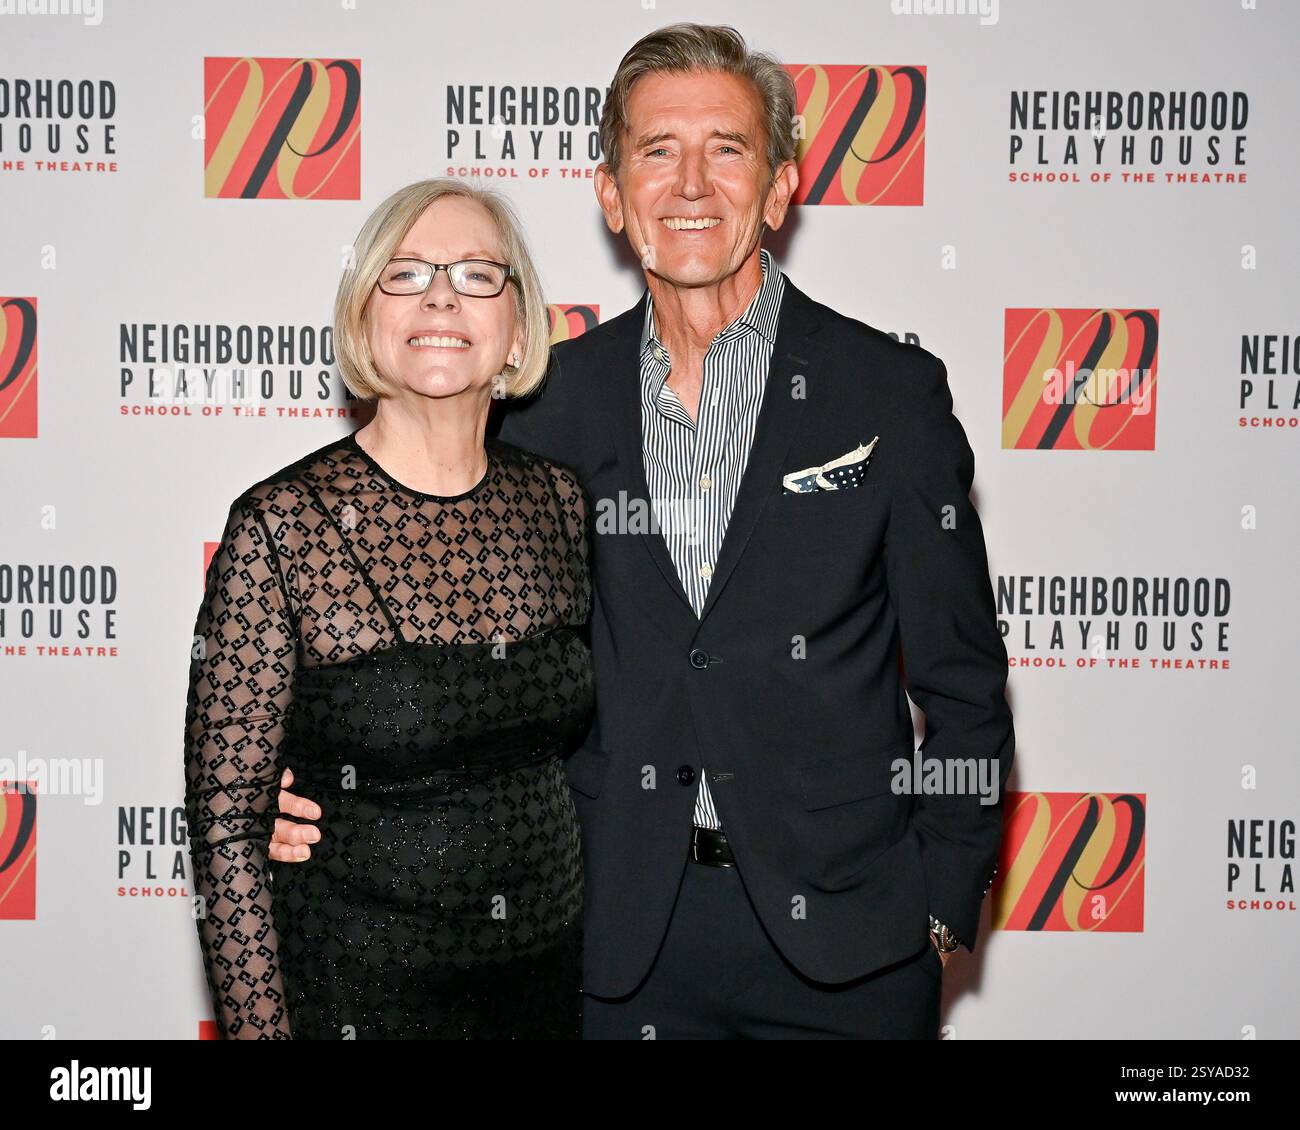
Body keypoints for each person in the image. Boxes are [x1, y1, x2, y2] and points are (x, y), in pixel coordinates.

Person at [273, 22, 1014, 1039]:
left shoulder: (886, 392)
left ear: (782, 184)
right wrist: (309, 781)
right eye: (657, 152)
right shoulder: (543, 407)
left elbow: (965, 687)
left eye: (727, 148)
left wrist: (935, 905)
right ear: (613, 196)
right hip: (618, 948)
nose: (692, 184)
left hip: (849, 951)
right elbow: (454, 657)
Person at [182, 179, 593, 1039]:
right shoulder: (284, 526)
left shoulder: (559, 504)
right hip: (356, 995)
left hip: (544, 992)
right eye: (405, 274)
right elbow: (227, 834)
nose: (441, 295)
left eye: (478, 274)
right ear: (363, 317)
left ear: (519, 329)